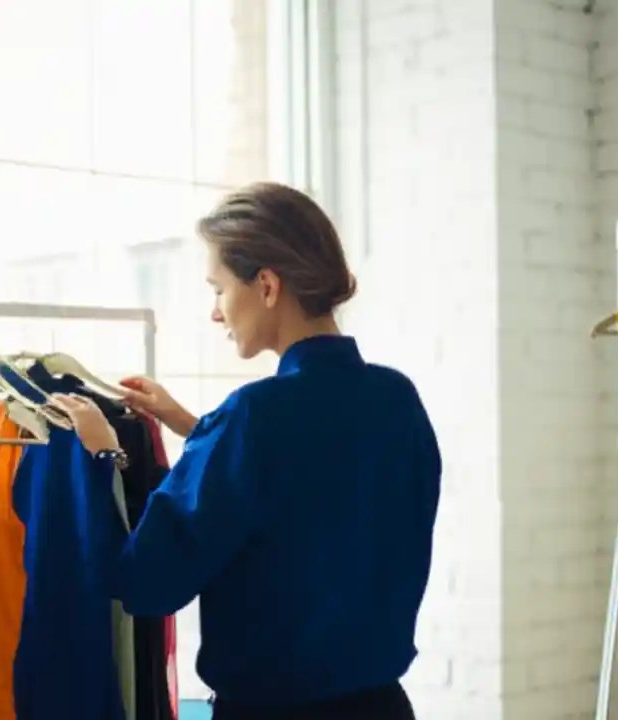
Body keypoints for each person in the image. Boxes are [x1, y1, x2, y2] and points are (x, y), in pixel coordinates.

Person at [51, 182, 441, 720]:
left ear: (266, 285)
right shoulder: (397, 399)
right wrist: (194, 426)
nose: (215, 312)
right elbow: (310, 485)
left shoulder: (253, 418)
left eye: (217, 288)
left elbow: (145, 583)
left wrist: (104, 459)